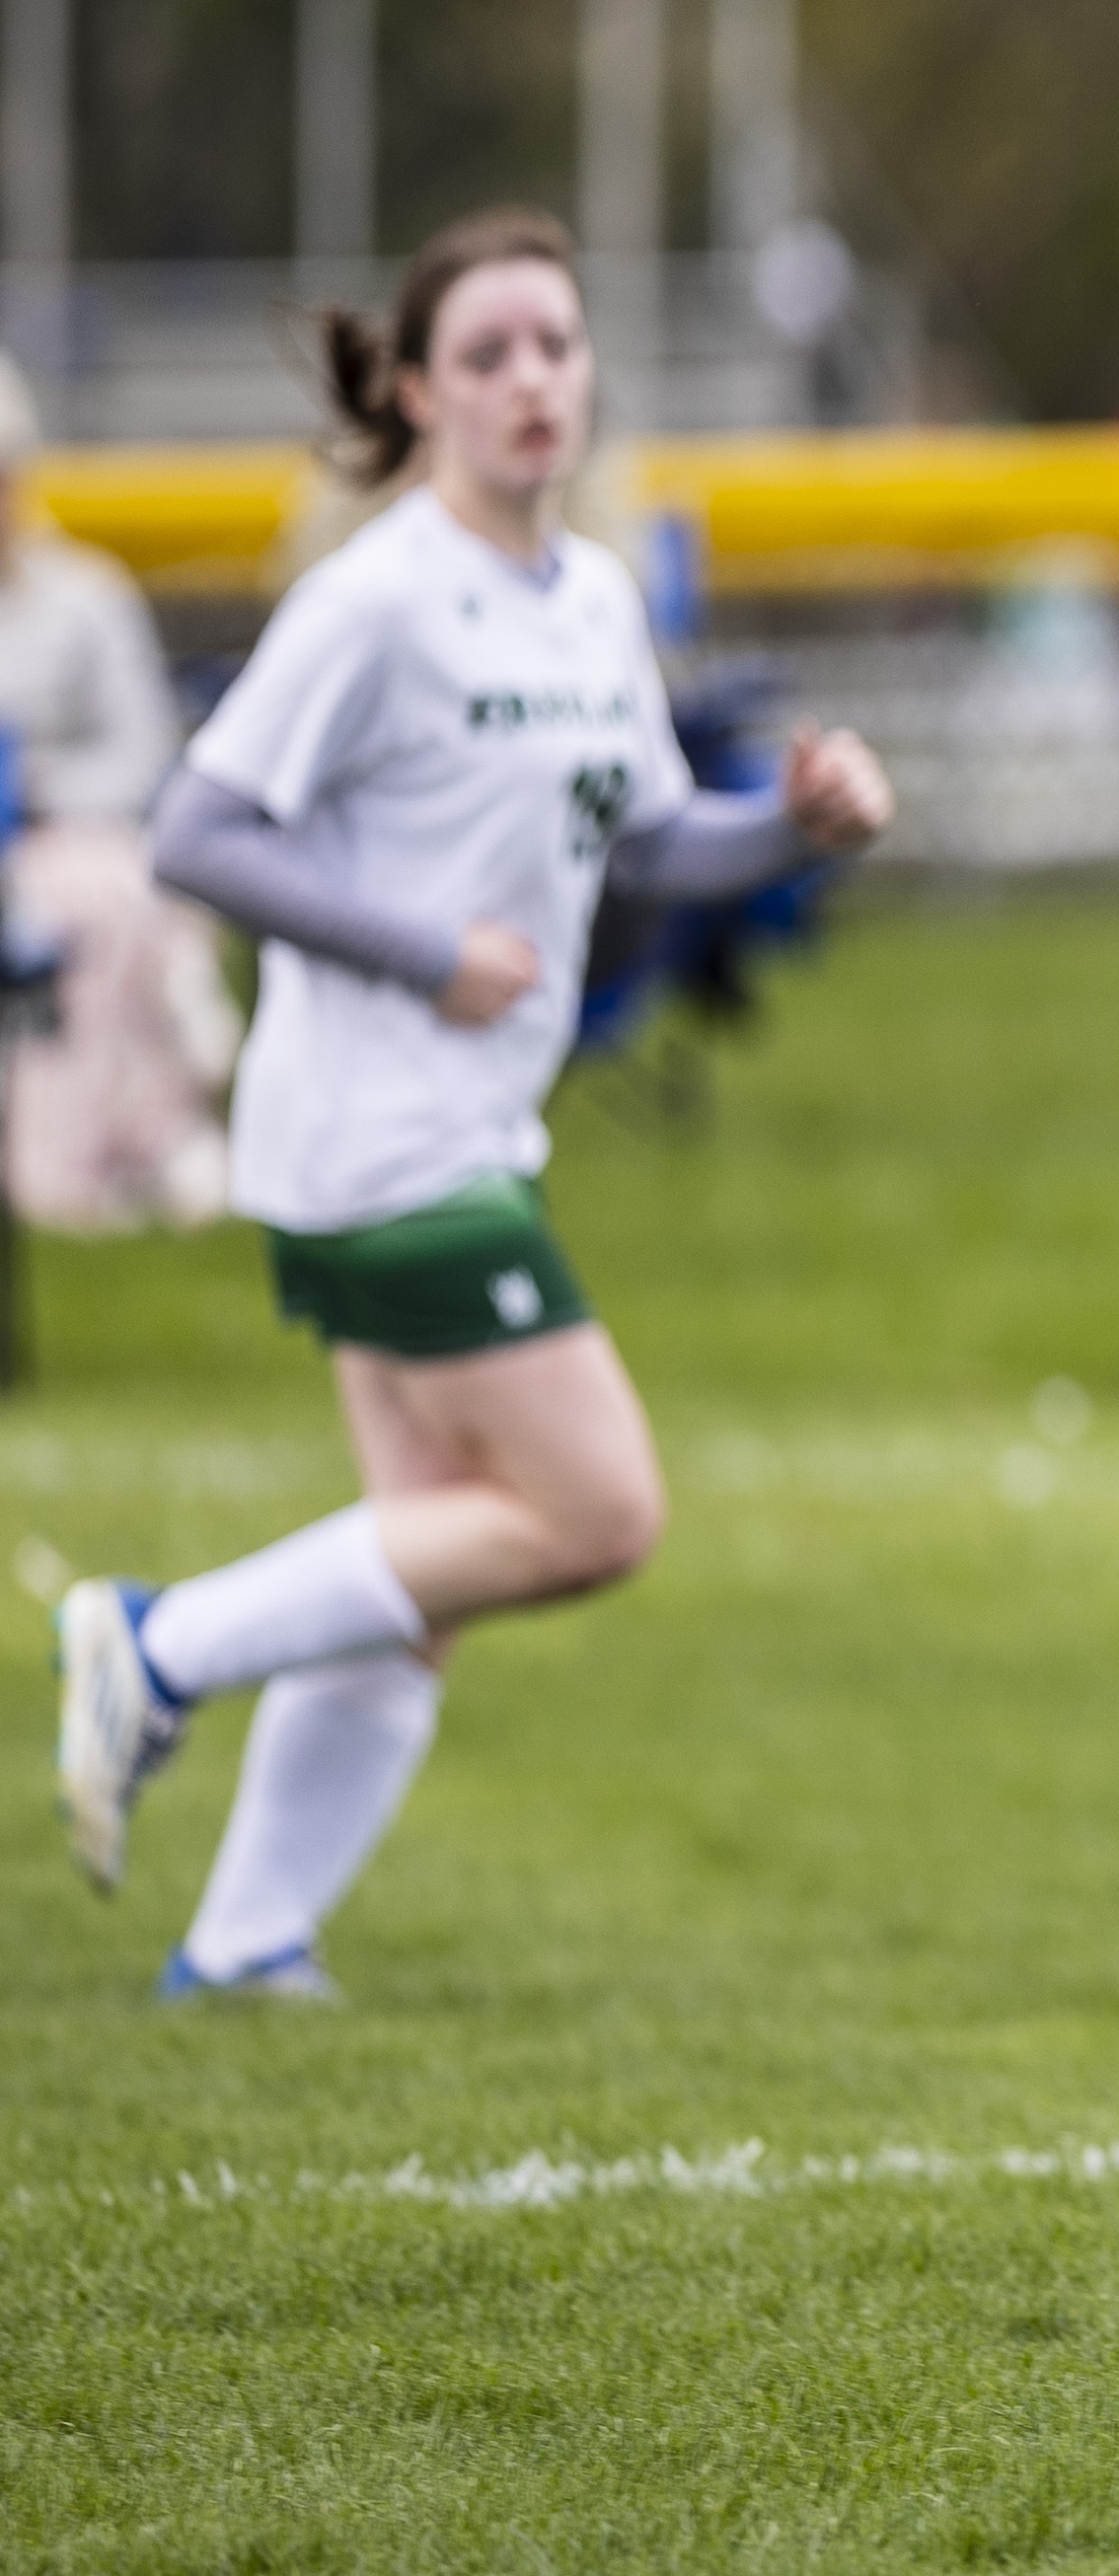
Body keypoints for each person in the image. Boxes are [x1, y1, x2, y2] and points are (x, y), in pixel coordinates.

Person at [47, 206, 894, 1995]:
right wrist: (423, 950)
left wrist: (797, 826)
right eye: (492, 353)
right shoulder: (372, 599)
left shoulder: (590, 593)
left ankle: (247, 1940)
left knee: (418, 1570)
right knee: (601, 1515)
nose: (533, 382)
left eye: (559, 347)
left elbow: (652, 840)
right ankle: (157, 1639)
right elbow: (197, 836)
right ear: (420, 391)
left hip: (469, 1126)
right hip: (374, 1135)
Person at [0, 347, 239, 1233]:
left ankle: (132, 1136)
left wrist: (33, 783)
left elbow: (141, 754)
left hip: (71, 843)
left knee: (110, 900)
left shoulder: (87, 595)